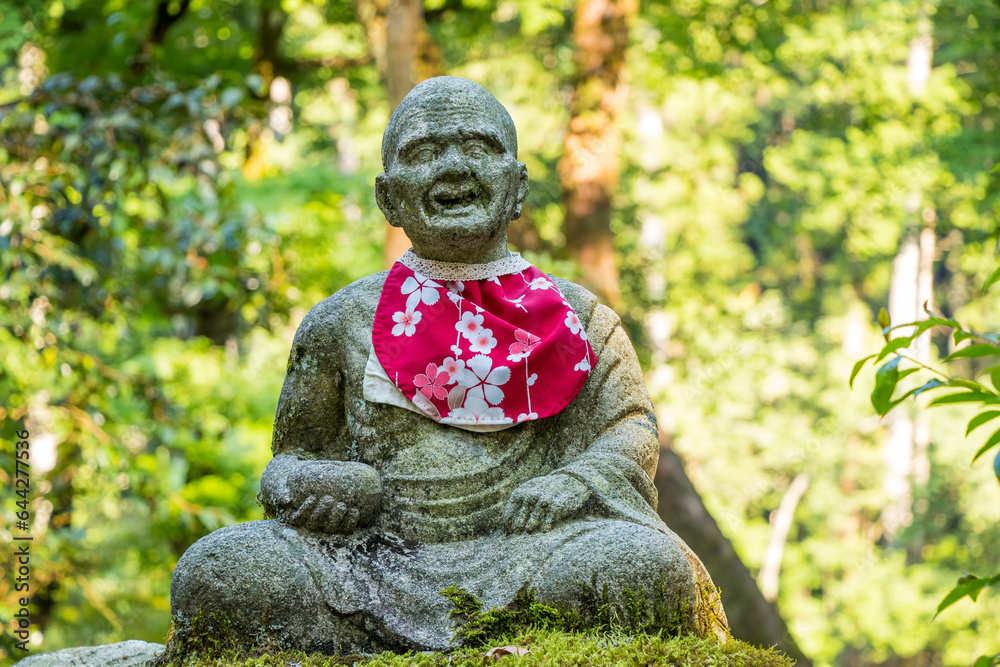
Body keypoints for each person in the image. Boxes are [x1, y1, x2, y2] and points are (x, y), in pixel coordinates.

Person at [169, 76, 727, 655]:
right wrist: (315, 484)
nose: (453, 168)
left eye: (478, 148)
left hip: (532, 556)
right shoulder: (341, 322)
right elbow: (289, 460)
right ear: (389, 199)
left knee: (643, 568)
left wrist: (574, 481)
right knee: (219, 570)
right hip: (373, 562)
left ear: (517, 187)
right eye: (424, 153)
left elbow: (630, 429)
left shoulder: (581, 320)